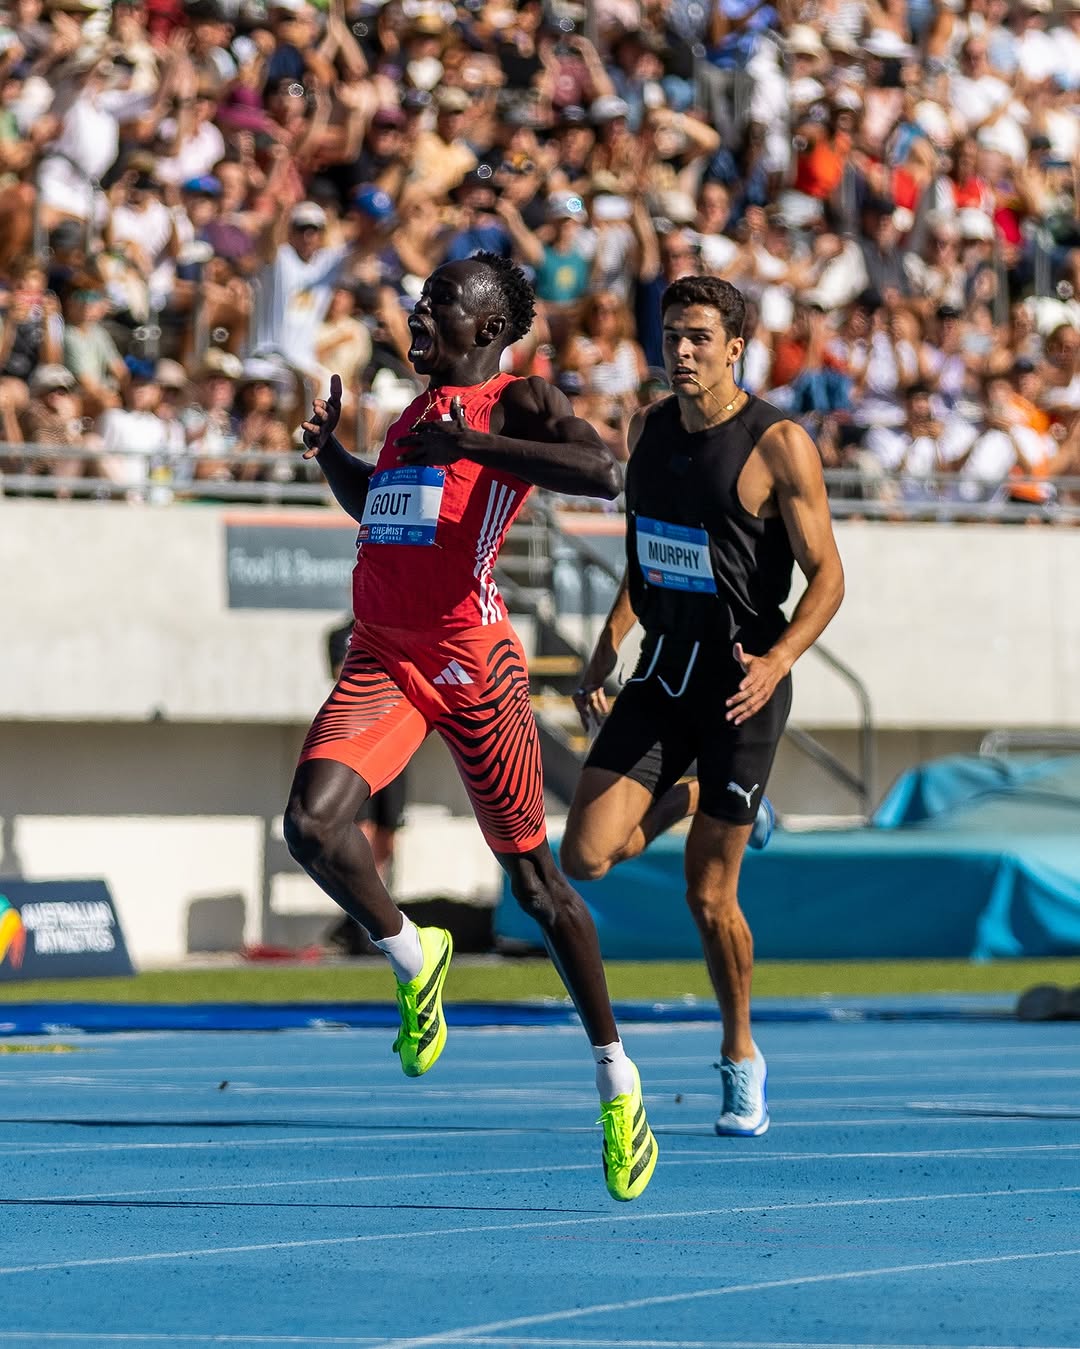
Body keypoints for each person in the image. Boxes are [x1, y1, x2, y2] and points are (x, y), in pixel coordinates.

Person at [284, 252, 657, 1202]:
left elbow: (603, 471)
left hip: (469, 660)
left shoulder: (514, 401)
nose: (418, 314)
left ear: (488, 328)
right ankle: (415, 954)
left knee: (537, 884)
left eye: (438, 303)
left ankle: (617, 1077)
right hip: (382, 654)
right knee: (312, 825)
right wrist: (332, 454)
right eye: (418, 300)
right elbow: (384, 511)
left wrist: (476, 446)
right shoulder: (411, 416)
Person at [560, 275, 845, 1139]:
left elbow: (828, 577)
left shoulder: (778, 444)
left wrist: (780, 659)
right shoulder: (648, 429)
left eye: (698, 337)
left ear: (735, 348)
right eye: (671, 335)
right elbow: (647, 556)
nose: (681, 351)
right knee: (585, 855)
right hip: (661, 672)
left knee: (708, 895)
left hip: (741, 685)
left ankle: (740, 1052)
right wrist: (610, 639)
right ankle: (691, 796)